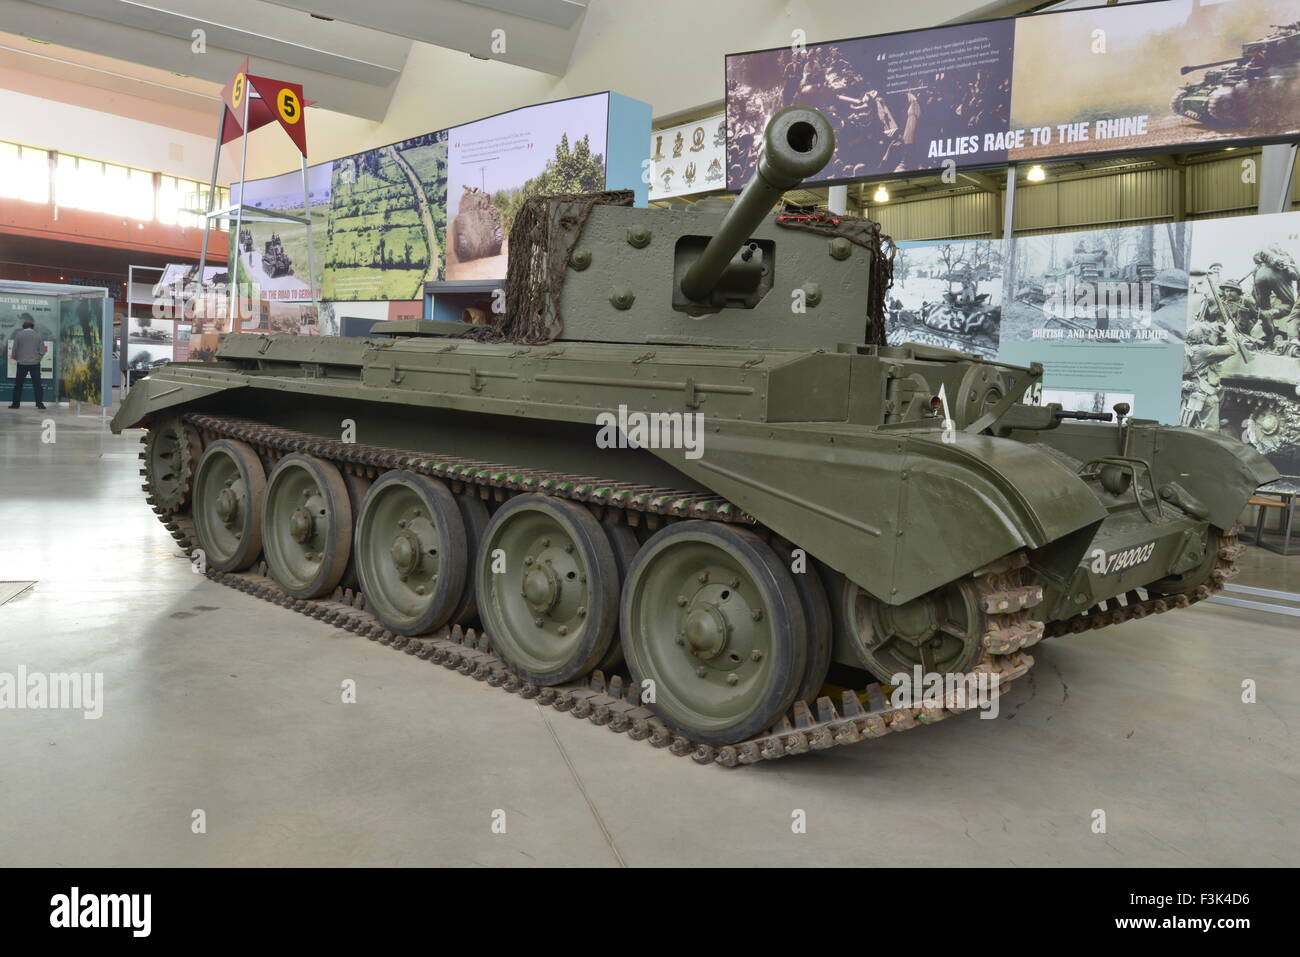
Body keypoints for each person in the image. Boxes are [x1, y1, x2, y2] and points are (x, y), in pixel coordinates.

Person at [9, 314, 47, 410]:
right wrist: (37, 359)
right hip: (35, 364)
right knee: (37, 385)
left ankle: (15, 404)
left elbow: (14, 350)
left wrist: (17, 358)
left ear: (23, 327)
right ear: (32, 327)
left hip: (21, 364)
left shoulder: (18, 335)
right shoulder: (38, 335)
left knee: (18, 385)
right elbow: (42, 351)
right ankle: (40, 404)